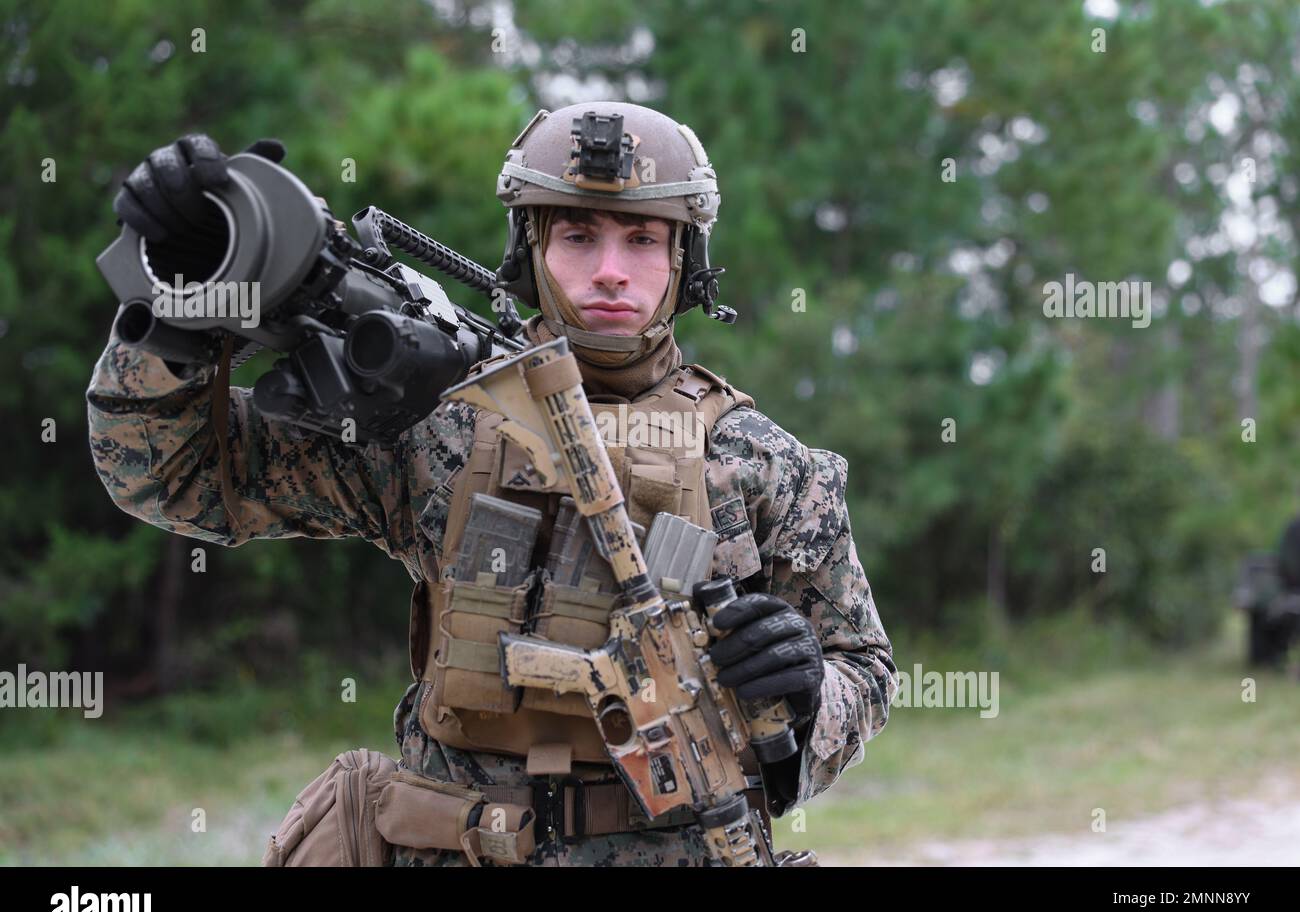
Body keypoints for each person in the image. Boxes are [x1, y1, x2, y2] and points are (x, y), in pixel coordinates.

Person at [87, 101, 898, 866]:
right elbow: (172, 473)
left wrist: (807, 690)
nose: (610, 272)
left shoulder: (763, 462)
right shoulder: (440, 424)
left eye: (642, 239)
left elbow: (862, 667)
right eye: (577, 235)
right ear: (529, 251)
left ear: (685, 260)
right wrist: (180, 302)